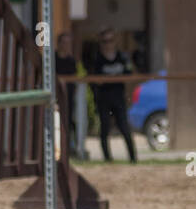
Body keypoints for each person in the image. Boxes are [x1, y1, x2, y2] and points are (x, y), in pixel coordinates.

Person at [87, 27, 138, 163]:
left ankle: (133, 158)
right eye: (105, 41)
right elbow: (94, 79)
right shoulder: (98, 59)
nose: (108, 44)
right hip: (103, 99)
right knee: (105, 129)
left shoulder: (121, 57)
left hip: (119, 98)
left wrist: (113, 78)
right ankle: (108, 159)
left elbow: (129, 74)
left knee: (124, 128)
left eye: (110, 40)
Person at [55, 31, 79, 157]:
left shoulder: (71, 60)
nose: (66, 46)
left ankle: (70, 149)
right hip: (54, 97)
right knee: (55, 123)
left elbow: (74, 79)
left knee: (69, 123)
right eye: (64, 43)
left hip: (68, 97)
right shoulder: (52, 59)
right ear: (59, 44)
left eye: (68, 43)